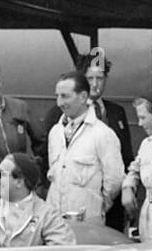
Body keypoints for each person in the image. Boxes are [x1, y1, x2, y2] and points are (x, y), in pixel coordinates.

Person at [45, 71, 124, 225]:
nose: (59, 102)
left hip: (87, 222)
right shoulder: (55, 132)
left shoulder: (102, 134)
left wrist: (97, 204)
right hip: (55, 222)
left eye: (65, 96)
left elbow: (114, 180)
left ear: (82, 97)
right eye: (58, 96)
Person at [121, 97, 152, 239]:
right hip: (147, 213)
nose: (140, 124)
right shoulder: (146, 143)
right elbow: (135, 169)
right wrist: (127, 188)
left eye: (143, 118)